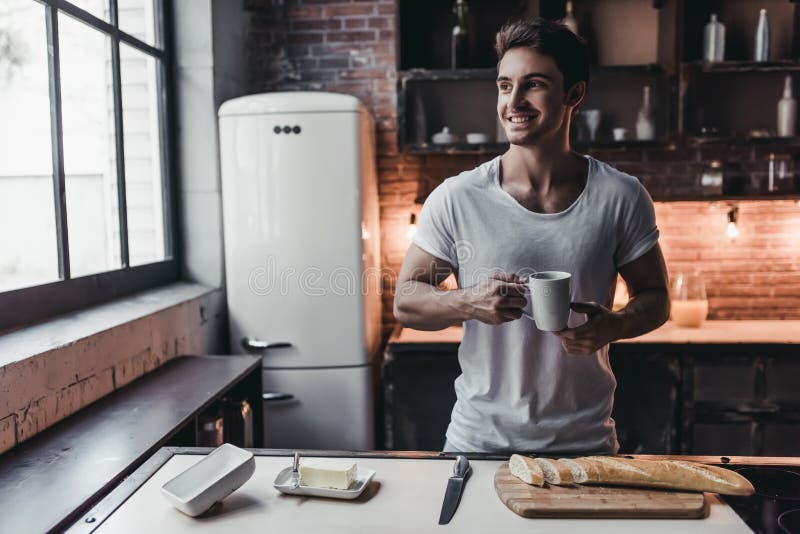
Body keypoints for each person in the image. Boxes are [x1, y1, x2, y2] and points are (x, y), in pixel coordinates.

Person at [393, 18, 670, 454]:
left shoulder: (621, 196)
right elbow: (406, 301)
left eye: (534, 84)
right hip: (478, 444)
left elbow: (656, 298)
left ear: (573, 94)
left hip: (585, 445)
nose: (514, 101)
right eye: (505, 86)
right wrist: (467, 302)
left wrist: (614, 325)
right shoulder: (457, 197)